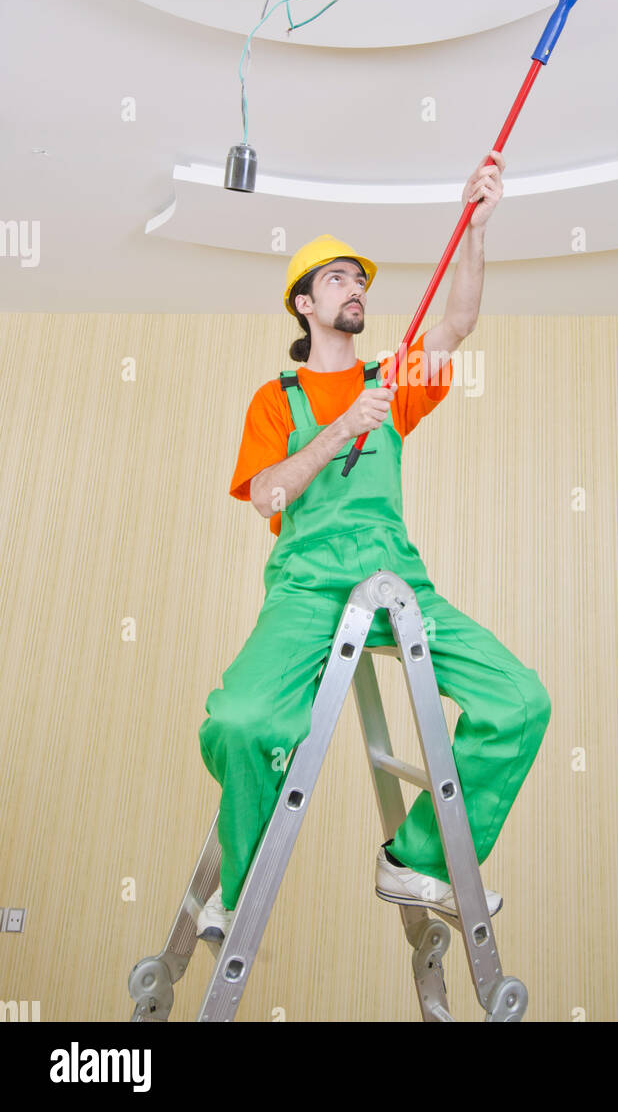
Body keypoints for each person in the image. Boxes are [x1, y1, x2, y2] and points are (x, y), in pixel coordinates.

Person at [196, 150, 551, 941]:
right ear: (303, 303)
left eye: (360, 281)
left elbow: (456, 322)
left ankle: (418, 857)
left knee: (520, 701)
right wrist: (335, 433)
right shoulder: (277, 397)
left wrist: (476, 231)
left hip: (396, 586)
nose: (354, 289)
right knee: (244, 724)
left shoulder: (389, 381)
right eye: (336, 280)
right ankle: (241, 885)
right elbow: (267, 494)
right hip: (307, 587)